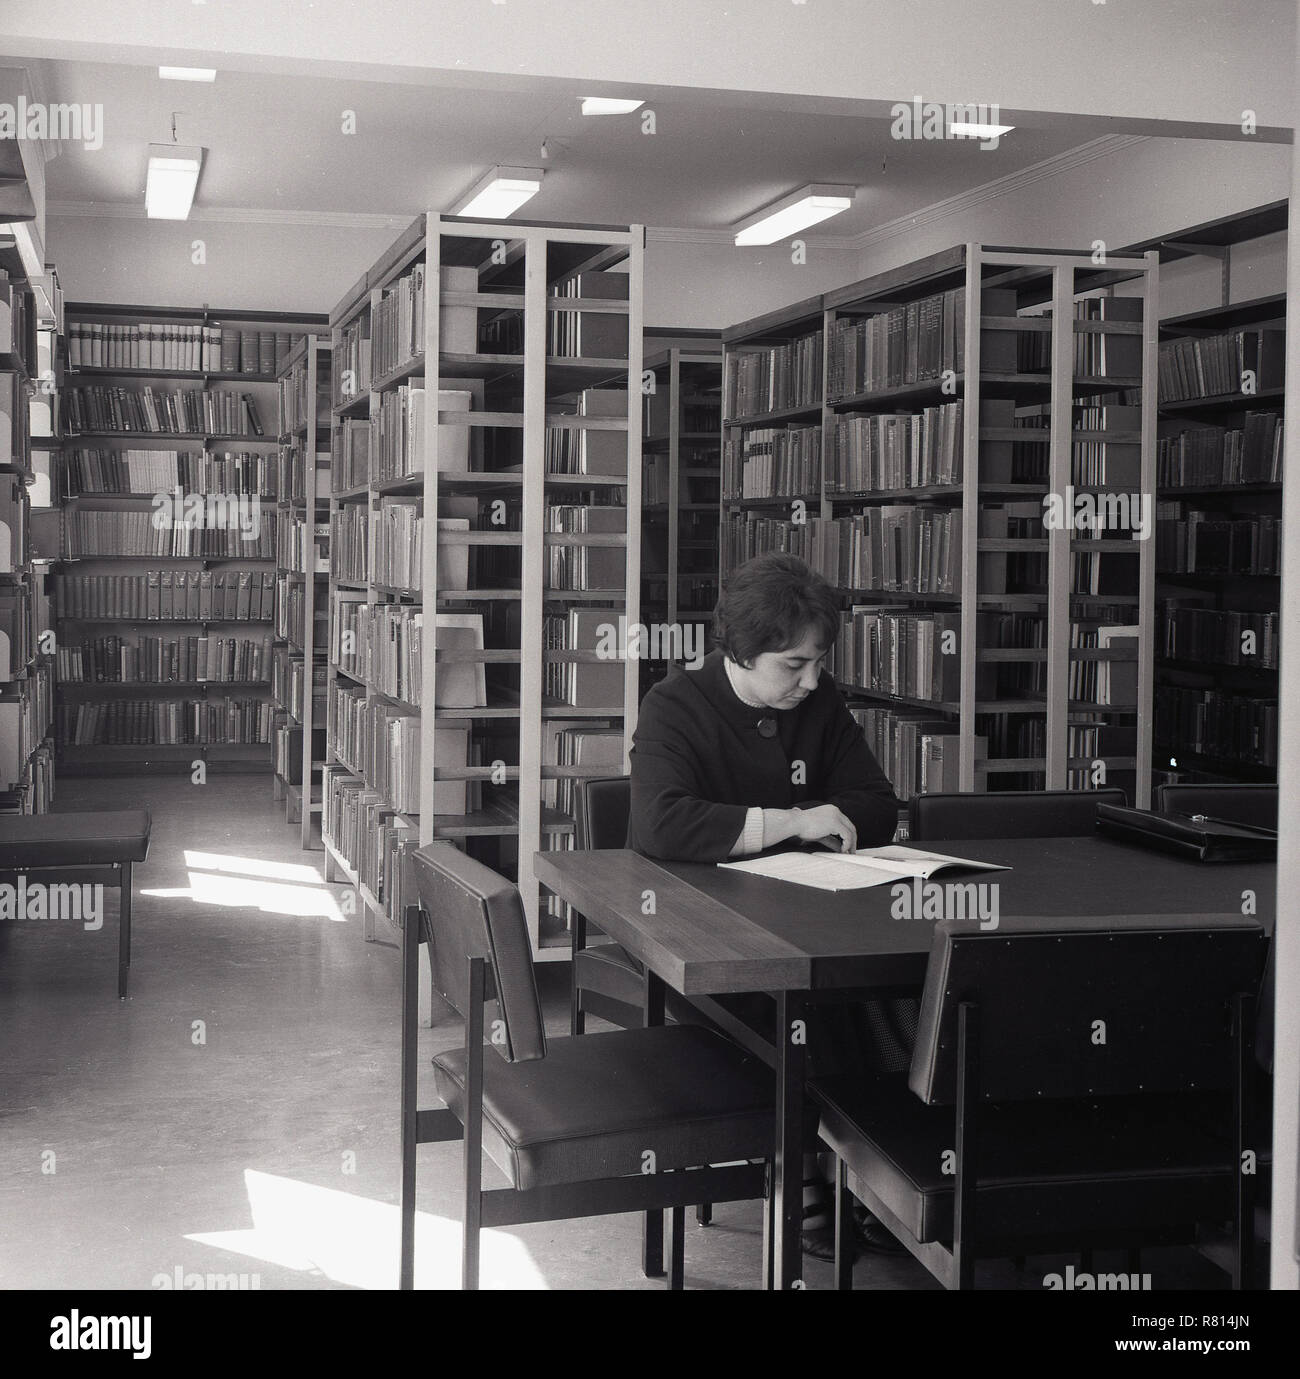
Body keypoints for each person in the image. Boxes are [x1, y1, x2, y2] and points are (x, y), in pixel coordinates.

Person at [628, 551, 912, 1259]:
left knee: (879, 990)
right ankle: (816, 1167)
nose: (812, 679)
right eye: (793, 664)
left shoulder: (819, 700)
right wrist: (792, 820)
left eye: (818, 661)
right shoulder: (675, 704)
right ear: (743, 652)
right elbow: (658, 823)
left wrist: (814, 816)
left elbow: (875, 805)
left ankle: (874, 1168)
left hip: (814, 916)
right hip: (705, 935)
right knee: (799, 1006)